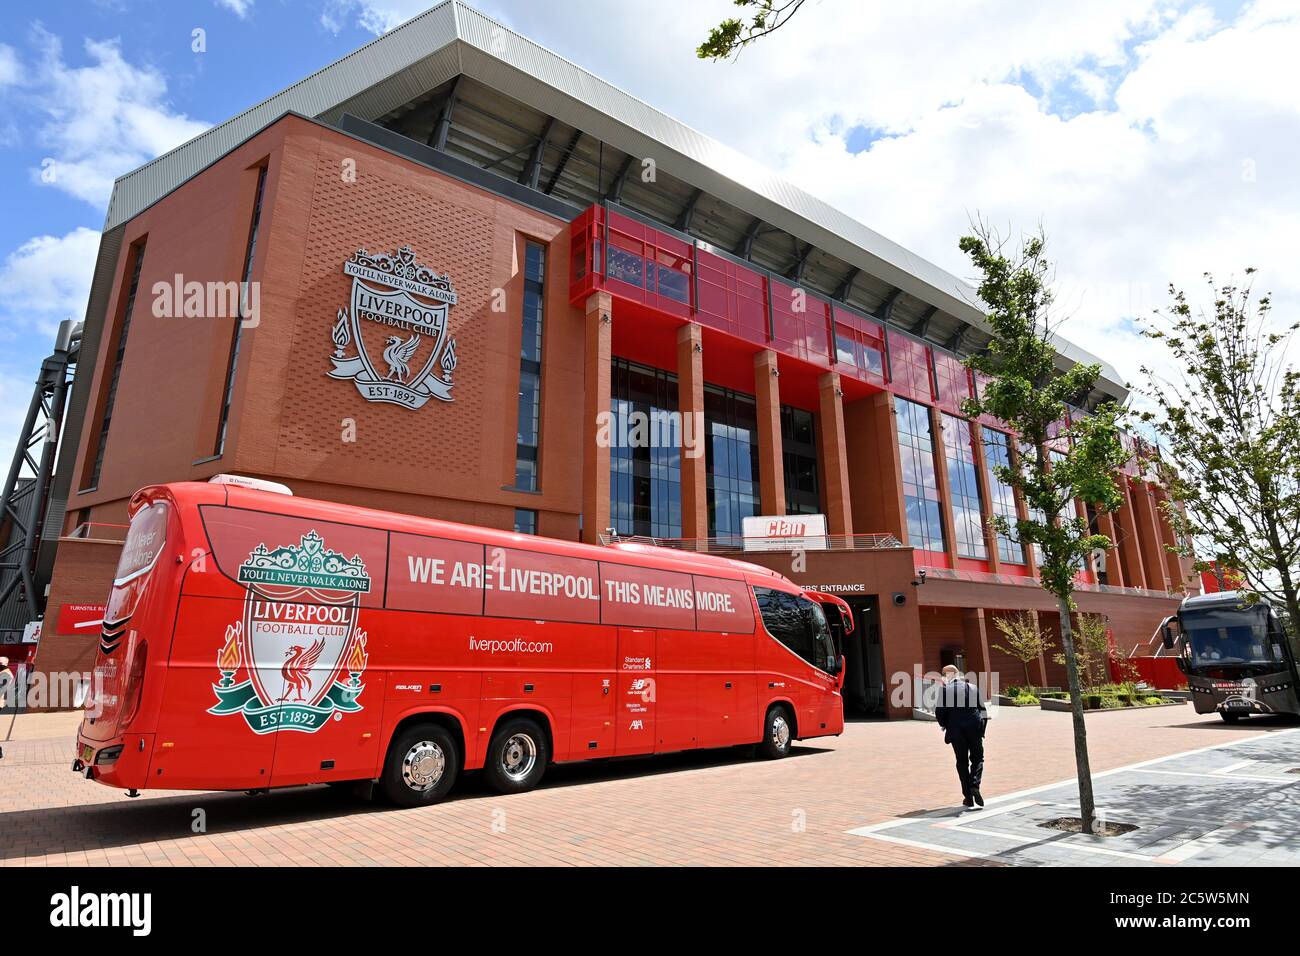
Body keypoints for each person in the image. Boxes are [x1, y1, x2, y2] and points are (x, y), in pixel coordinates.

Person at [935, 664, 988, 808]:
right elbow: (983, 711)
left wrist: (945, 724)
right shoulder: (973, 687)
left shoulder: (945, 690)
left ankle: (968, 797)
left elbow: (939, 712)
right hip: (974, 728)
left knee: (962, 762)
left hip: (956, 730)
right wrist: (982, 730)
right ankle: (975, 784)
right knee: (978, 758)